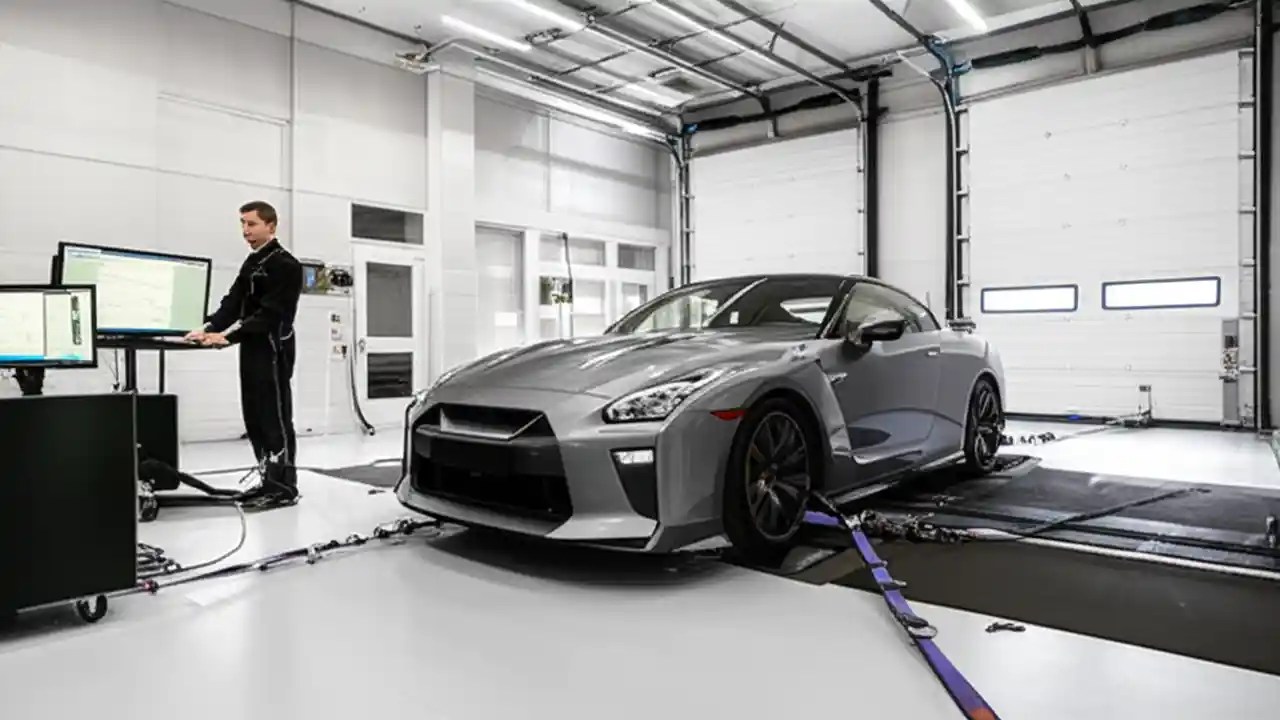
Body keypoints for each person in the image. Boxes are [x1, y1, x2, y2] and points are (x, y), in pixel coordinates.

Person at [187, 201, 303, 510]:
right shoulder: (252, 262)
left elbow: (269, 314)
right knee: (254, 415)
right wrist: (208, 327)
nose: (245, 230)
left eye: (251, 224)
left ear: (271, 226)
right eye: (242, 224)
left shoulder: (286, 265)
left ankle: (284, 488)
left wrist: (227, 337)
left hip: (273, 348)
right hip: (252, 346)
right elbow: (233, 302)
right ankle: (267, 480)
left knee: (274, 417)